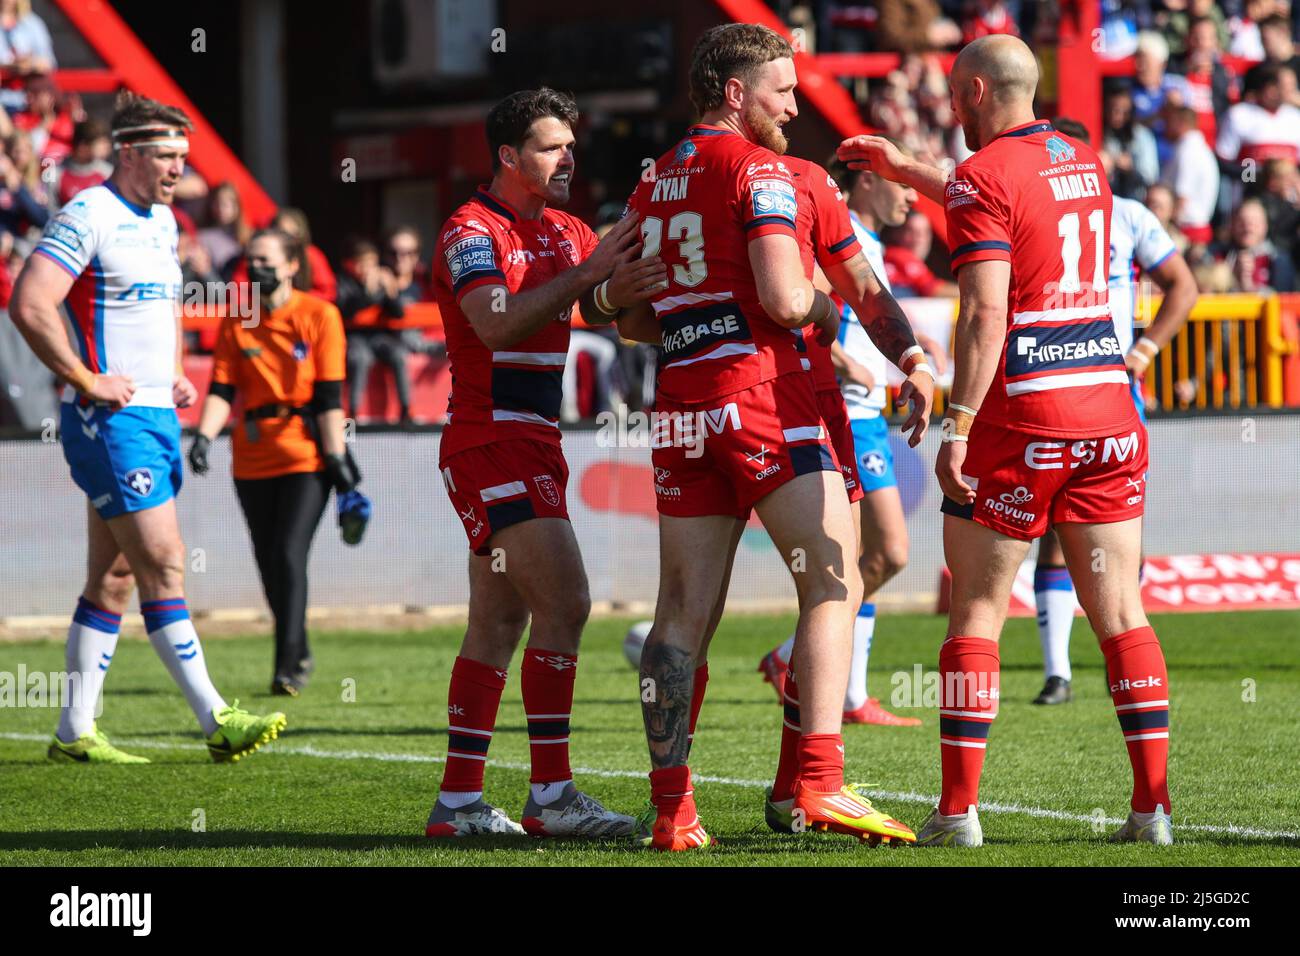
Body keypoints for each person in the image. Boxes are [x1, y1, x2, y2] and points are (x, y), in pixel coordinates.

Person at [841, 34, 1174, 847]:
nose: (951, 111)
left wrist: (958, 423)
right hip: (1108, 412)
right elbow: (998, 193)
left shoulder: (985, 177)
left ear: (980, 92)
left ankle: (958, 812)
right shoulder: (1080, 160)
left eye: (957, 98)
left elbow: (988, 311)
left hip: (1025, 417)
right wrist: (905, 169)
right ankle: (1151, 812)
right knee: (1124, 612)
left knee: (977, 614)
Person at [609, 23, 931, 851]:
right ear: (734, 92)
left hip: (682, 404)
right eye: (783, 89)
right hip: (765, 396)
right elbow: (801, 299)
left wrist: (905, 353)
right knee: (834, 583)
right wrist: (836, 324)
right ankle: (820, 781)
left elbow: (632, 315)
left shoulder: (655, 184)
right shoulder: (764, 172)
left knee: (679, 617)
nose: (795, 103)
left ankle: (674, 811)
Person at [7, 91, 286, 765]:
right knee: (164, 560)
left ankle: (74, 731)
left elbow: (154, 313)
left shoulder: (162, 222)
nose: (179, 172)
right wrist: (85, 380)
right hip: (111, 419)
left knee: (114, 577)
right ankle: (216, 717)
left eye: (184, 158)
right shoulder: (89, 214)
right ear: (129, 153)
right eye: (167, 157)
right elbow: (29, 302)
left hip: (156, 410)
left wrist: (172, 373)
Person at [427, 87, 654, 839]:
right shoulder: (469, 231)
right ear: (508, 156)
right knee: (568, 604)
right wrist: (592, 275)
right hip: (488, 440)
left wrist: (639, 273)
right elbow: (494, 323)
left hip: (534, 441)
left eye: (569, 145)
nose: (568, 158)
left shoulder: (570, 230)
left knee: (498, 621)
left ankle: (458, 804)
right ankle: (551, 795)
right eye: (552, 146)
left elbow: (605, 316)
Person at [757, 145, 947, 729]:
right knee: (883, 552)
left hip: (865, 411)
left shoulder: (868, 240)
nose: (912, 196)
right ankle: (825, 684)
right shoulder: (833, 228)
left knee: (871, 557)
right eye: (901, 182)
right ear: (866, 181)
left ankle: (815, 673)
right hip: (843, 408)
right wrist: (841, 360)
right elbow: (802, 300)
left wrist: (916, 354)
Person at [1029, 117, 1198, 706]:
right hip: (1049, 387)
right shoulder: (1028, 206)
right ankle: (1058, 673)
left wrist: (1145, 349)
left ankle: (1121, 654)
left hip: (1115, 392)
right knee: (1053, 529)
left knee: (1123, 529)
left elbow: (1183, 283)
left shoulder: (1126, 213)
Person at [188, 228, 363, 696]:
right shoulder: (237, 317)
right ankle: (298, 647)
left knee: (289, 552)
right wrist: (203, 436)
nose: (257, 268)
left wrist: (337, 458)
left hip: (305, 454)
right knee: (269, 563)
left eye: (266, 260)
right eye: (252, 260)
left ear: (290, 265)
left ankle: (287, 665)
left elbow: (328, 397)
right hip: (252, 457)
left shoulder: (320, 315)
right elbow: (223, 389)